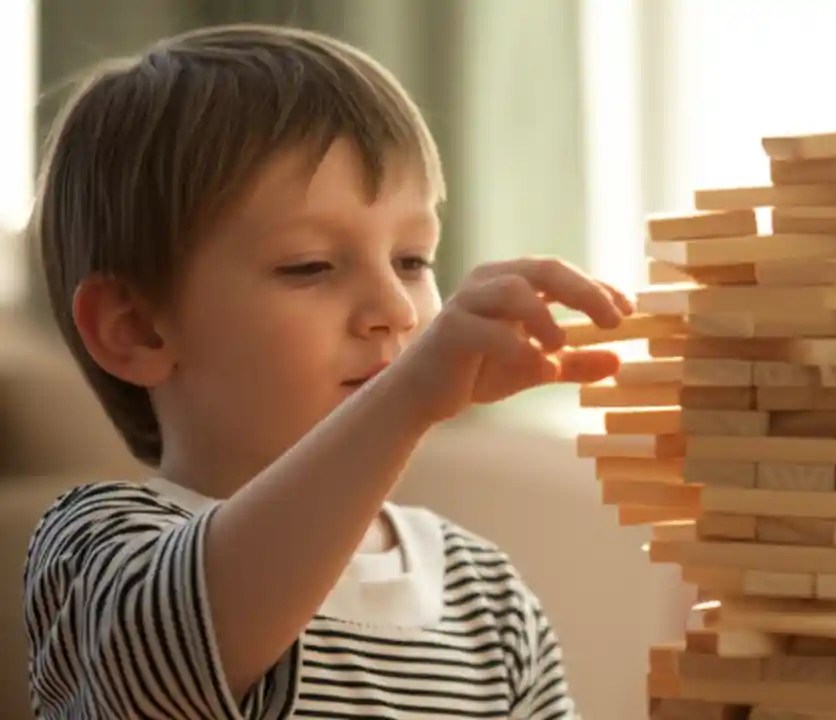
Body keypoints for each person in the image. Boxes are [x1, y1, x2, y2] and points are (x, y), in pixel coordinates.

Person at [23, 23, 631, 719]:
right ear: (135, 329)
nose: (396, 309)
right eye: (309, 266)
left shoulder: (484, 594)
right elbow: (169, 663)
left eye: (413, 261)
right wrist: (405, 398)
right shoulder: (100, 546)